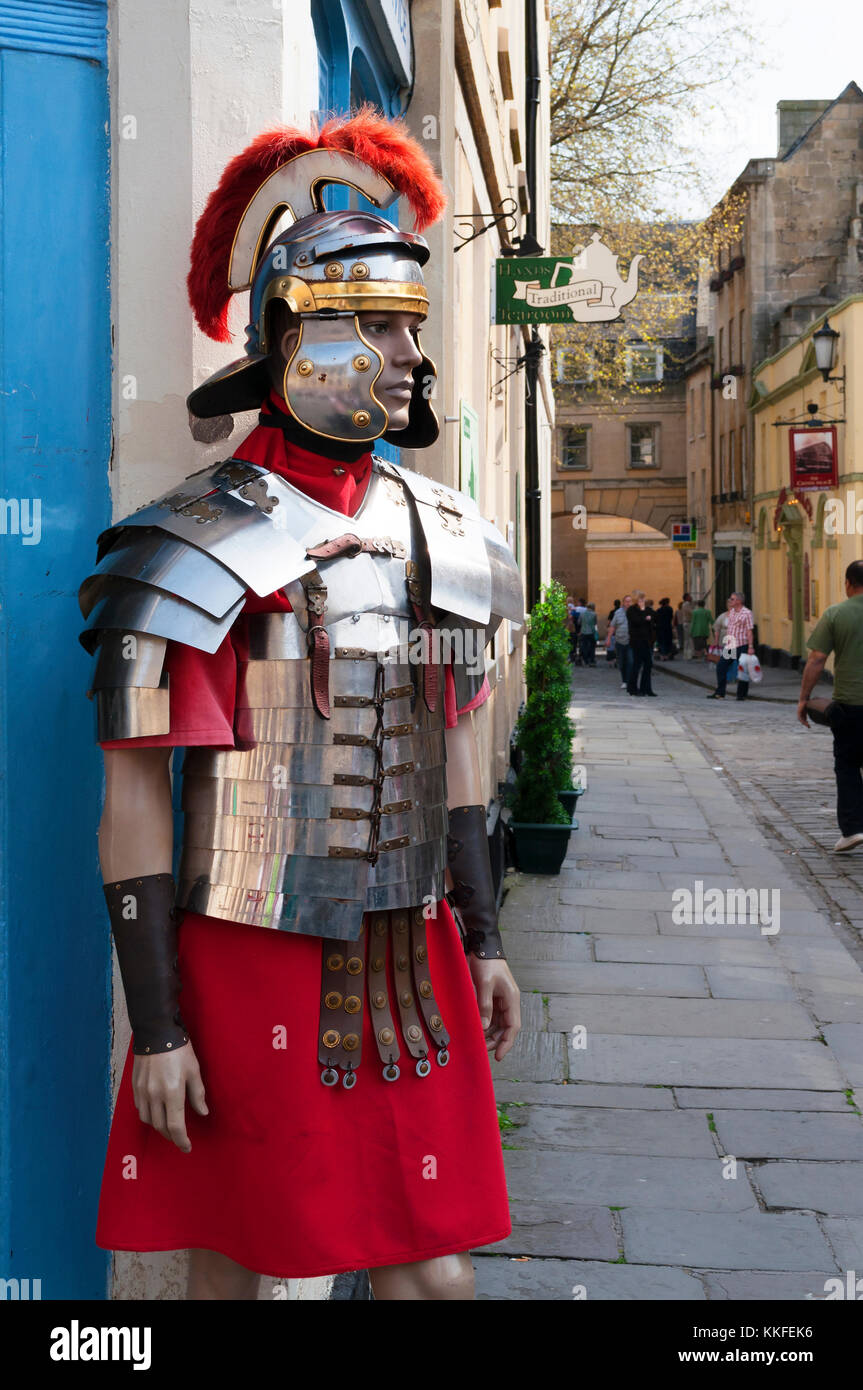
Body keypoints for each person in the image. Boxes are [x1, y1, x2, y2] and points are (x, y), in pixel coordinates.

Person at [78, 112, 523, 1300]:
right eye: (378, 325)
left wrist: (480, 934)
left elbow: (462, 747)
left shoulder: (449, 536)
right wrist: (156, 1024)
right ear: (295, 335)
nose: (408, 356)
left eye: (412, 329)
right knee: (238, 1267)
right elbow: (134, 796)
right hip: (248, 947)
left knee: (434, 1277)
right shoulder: (190, 544)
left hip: (408, 944)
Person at [798, 560, 863, 853]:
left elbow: (816, 660)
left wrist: (804, 698)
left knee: (848, 766)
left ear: (848, 583)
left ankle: (852, 830)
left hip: (851, 705)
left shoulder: (836, 614)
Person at [708, 592, 754, 701]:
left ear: (739, 601)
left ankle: (741, 694)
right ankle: (720, 692)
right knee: (721, 666)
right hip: (730, 645)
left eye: (732, 599)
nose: (730, 601)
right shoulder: (732, 612)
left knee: (742, 670)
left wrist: (751, 646)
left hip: (742, 645)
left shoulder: (747, 613)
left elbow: (749, 631)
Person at [627, 591, 656, 696]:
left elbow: (653, 617)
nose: (642, 601)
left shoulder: (647, 609)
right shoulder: (632, 610)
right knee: (637, 664)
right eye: (640, 599)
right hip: (636, 640)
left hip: (646, 640)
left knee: (648, 664)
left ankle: (646, 688)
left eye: (643, 599)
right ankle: (633, 688)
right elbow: (636, 621)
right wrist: (645, 618)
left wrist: (647, 617)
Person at [608, 594, 632, 688]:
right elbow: (613, 626)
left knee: (630, 661)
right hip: (620, 641)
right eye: (627, 601)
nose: (628, 603)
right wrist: (609, 638)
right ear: (623, 603)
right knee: (622, 662)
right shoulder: (618, 613)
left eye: (630, 601)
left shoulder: (634, 612)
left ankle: (629, 681)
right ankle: (624, 680)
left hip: (631, 642)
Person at [579, 602, 598, 666]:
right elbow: (595, 623)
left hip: (583, 632)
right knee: (592, 647)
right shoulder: (594, 614)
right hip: (591, 632)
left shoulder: (582, 614)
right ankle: (591, 659)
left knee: (584, 646)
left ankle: (585, 660)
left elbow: (579, 622)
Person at [676, 592, 693, 659]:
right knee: (689, 639)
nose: (691, 597)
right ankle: (689, 655)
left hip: (686, 623)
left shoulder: (685, 604)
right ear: (687, 598)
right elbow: (691, 612)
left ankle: (687, 655)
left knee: (687, 639)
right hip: (688, 623)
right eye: (689, 596)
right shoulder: (686, 604)